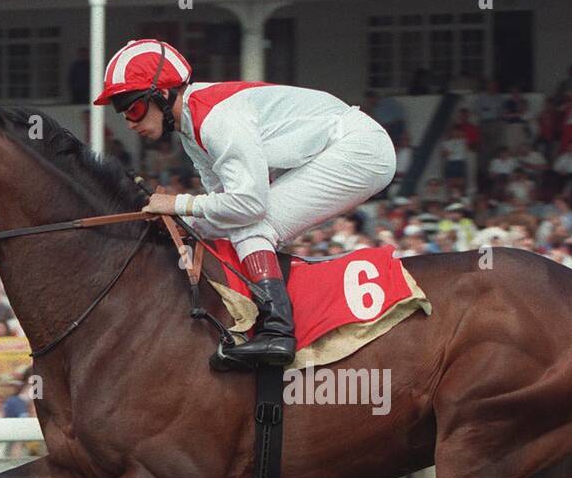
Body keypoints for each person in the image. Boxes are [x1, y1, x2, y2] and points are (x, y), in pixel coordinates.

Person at [95, 39, 396, 367]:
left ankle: (278, 333)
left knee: (254, 224)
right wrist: (176, 221)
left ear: (163, 94)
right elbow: (221, 209)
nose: (128, 121)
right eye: (121, 112)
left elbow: (247, 206)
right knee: (232, 224)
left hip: (360, 149)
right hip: (342, 147)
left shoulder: (215, 121)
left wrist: (177, 205)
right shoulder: (190, 129)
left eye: (134, 108)